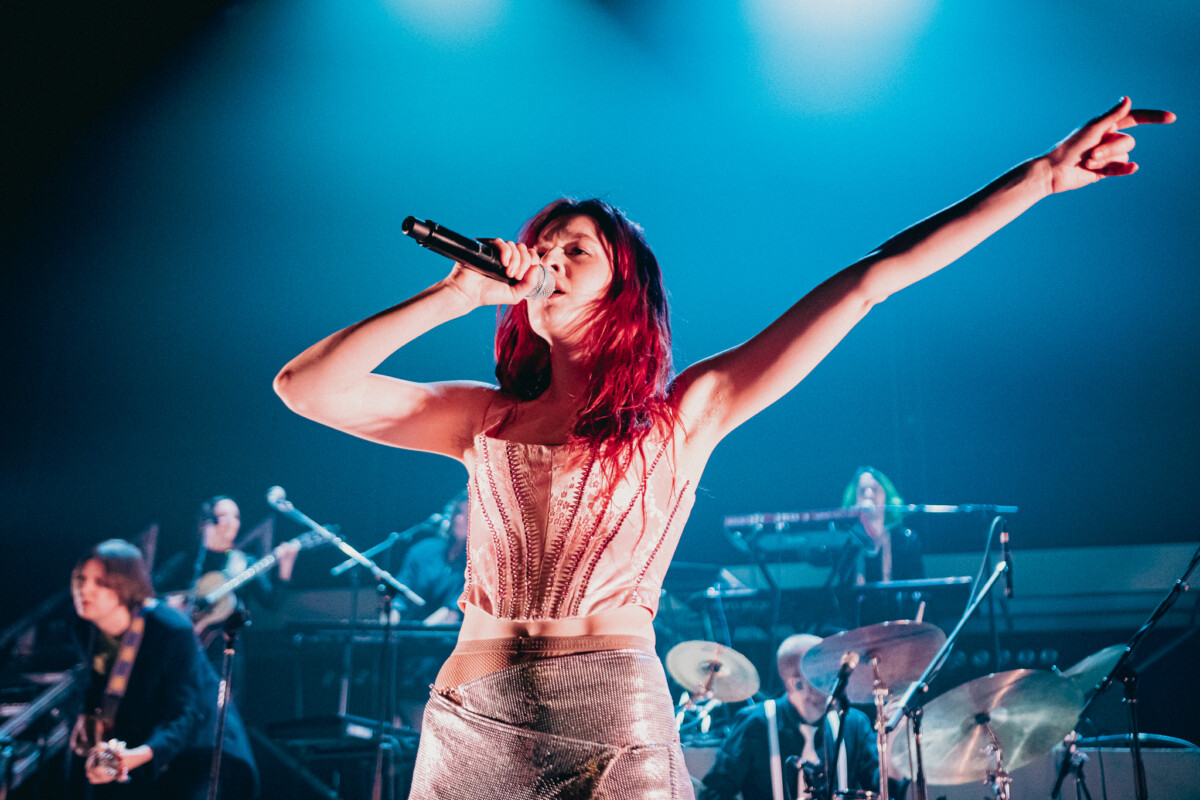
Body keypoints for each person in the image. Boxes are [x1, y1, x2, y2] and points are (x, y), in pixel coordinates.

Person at [272, 97, 1173, 798]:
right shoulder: (483, 418)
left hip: (611, 713)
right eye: (540, 245)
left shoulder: (686, 413)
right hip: (472, 715)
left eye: (573, 249)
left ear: (624, 288)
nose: (545, 257)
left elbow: (867, 284)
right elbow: (304, 389)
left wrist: (1039, 179)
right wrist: (451, 297)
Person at [70, 539, 258, 799]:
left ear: (125, 584)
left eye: (99, 582)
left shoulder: (170, 629)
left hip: (202, 751)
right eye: (81, 579)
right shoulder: (85, 628)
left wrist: (139, 755)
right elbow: (99, 686)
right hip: (146, 746)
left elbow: (185, 715)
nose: (84, 590)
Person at [698, 634, 896, 800]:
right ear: (796, 684)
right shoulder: (755, 724)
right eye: (823, 672)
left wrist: (894, 740)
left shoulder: (854, 724)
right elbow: (714, 793)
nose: (836, 680)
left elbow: (884, 789)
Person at [841, 466, 923, 585]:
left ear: (887, 496)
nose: (869, 495)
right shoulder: (847, 543)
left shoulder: (906, 540)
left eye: (875, 489)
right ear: (854, 500)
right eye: (862, 491)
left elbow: (919, 588)